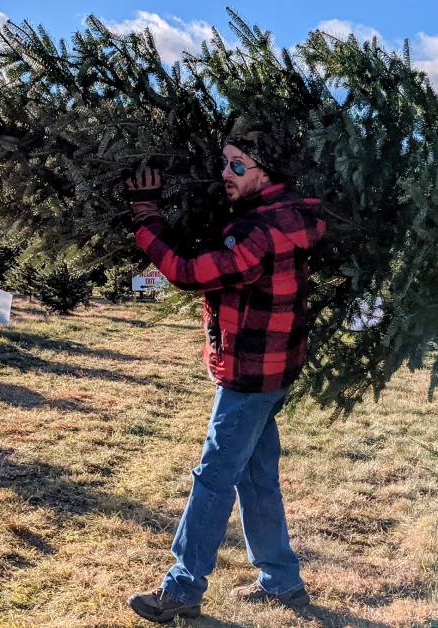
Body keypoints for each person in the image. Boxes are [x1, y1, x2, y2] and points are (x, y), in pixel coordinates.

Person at [123, 126, 326, 623]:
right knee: (256, 478)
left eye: (238, 165)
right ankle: (282, 582)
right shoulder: (291, 217)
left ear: (265, 172)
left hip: (251, 376)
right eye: (224, 163)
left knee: (213, 478)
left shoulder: (256, 232)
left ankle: (182, 589)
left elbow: (189, 271)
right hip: (277, 369)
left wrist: (146, 218)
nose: (225, 174)